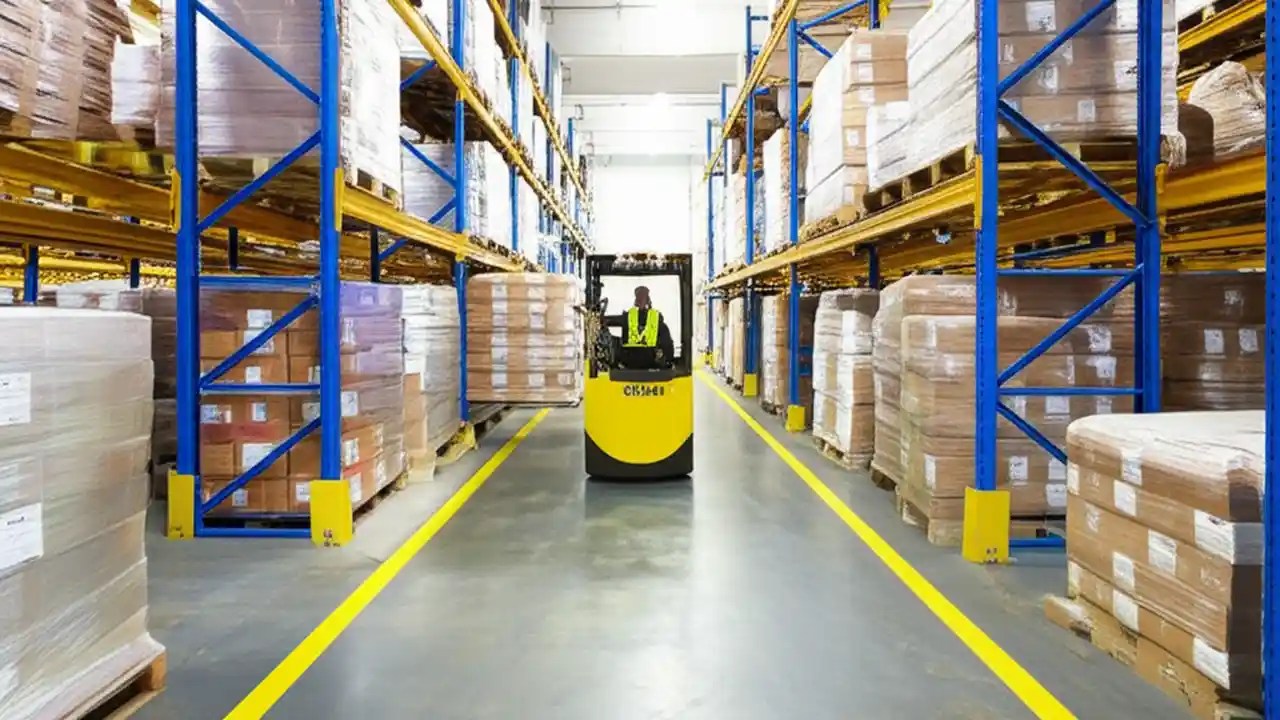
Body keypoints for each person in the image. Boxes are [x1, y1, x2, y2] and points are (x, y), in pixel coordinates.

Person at [621, 285, 675, 368]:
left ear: (648, 299)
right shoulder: (629, 317)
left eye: (642, 297)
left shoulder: (656, 319)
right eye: (638, 297)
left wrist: (664, 360)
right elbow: (623, 342)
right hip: (631, 363)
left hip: (652, 363)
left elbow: (667, 346)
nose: (640, 300)